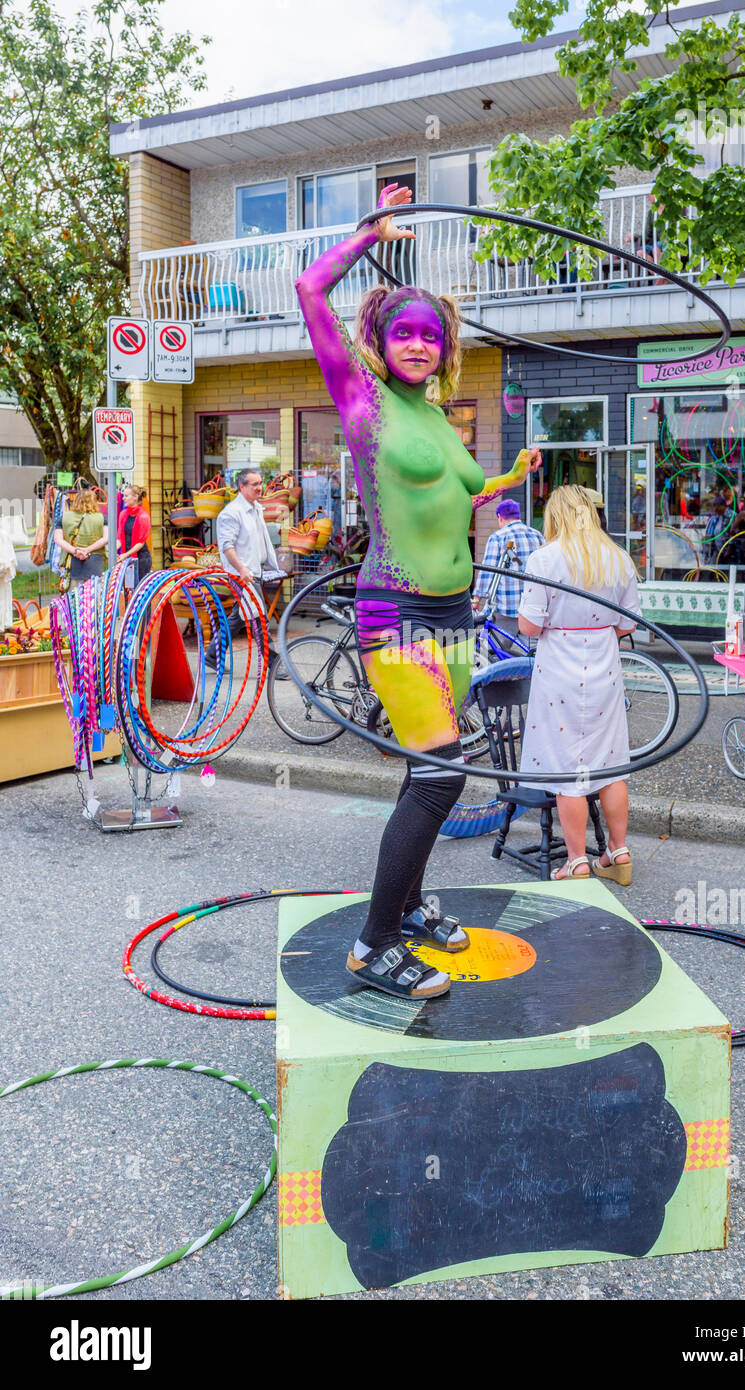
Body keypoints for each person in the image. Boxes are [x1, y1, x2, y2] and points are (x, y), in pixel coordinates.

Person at [295, 181, 541, 1001]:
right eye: (401, 333)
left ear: (444, 348)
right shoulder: (362, 403)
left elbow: (456, 495)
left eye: (429, 336)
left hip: (455, 613)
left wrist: (506, 478)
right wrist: (370, 233)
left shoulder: (437, 417)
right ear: (378, 339)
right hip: (393, 608)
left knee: (425, 774)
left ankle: (402, 910)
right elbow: (308, 290)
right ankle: (371, 946)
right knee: (442, 773)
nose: (416, 344)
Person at [517, 485, 639, 885]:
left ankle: (576, 860)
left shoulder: (544, 559)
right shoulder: (618, 558)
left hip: (559, 671)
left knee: (568, 769)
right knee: (610, 762)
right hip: (603, 668)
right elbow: (628, 624)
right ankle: (617, 851)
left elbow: (530, 626)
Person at [203, 468, 287, 678]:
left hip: (254, 572)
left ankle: (212, 655)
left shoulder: (256, 508)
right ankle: (274, 663)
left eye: (260, 483)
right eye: (254, 484)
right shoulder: (231, 513)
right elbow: (227, 546)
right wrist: (241, 569)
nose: (260, 487)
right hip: (241, 575)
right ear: (242, 487)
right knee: (259, 619)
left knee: (238, 618)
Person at [472, 498, 543, 643]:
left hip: (507, 609)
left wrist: (477, 599)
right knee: (530, 654)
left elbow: (488, 571)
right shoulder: (538, 536)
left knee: (493, 652)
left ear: (500, 517)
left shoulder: (498, 537)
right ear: (518, 516)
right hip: (532, 609)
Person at [54, 488, 108, 591]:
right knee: (93, 598)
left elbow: (58, 539)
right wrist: (87, 550)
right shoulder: (101, 518)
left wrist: (75, 551)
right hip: (94, 562)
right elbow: (106, 538)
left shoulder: (64, 517)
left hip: (72, 562)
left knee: (73, 597)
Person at [116, 484, 152, 585]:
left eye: (126, 496)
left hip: (141, 559)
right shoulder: (123, 514)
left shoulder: (143, 516)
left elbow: (140, 543)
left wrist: (126, 555)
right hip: (127, 557)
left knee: (139, 590)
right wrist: (114, 551)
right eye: (123, 496)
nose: (123, 498)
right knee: (129, 587)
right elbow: (119, 537)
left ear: (135, 497)